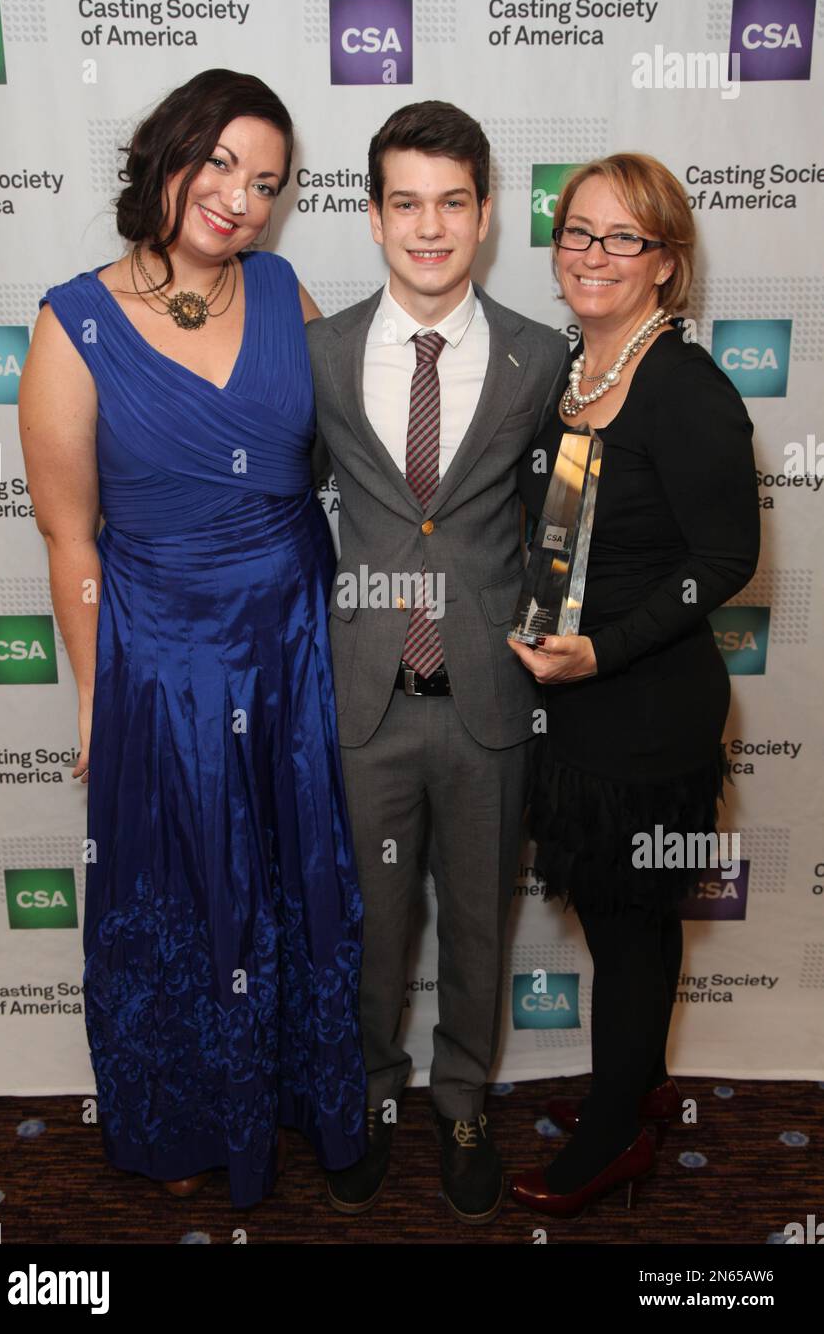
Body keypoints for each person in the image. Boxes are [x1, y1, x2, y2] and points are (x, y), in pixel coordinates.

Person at [18, 69, 366, 1208]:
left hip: (293, 639)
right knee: (177, 894)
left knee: (290, 878)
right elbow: (73, 540)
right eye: (220, 163)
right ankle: (180, 1122)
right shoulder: (74, 320)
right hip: (161, 656)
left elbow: (347, 466)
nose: (241, 199)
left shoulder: (282, 292)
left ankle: (293, 1100)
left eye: (265, 181)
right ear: (165, 157)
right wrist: (90, 700)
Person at [307, 101, 567, 1224]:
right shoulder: (314, 352)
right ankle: (368, 1095)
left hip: (487, 699)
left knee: (476, 922)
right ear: (370, 216)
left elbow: (575, 516)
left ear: (485, 213)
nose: (428, 227)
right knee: (368, 924)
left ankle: (460, 1097)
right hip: (363, 694)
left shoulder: (539, 354)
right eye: (404, 203)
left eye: (450, 203)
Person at [507, 153, 760, 1219]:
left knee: (626, 922)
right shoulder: (573, 368)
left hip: (643, 708)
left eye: (623, 238)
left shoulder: (684, 385)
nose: (591, 255)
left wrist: (602, 653)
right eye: (576, 232)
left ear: (665, 263)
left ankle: (611, 1137)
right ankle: (637, 1089)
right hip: (570, 698)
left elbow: (726, 555)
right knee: (634, 918)